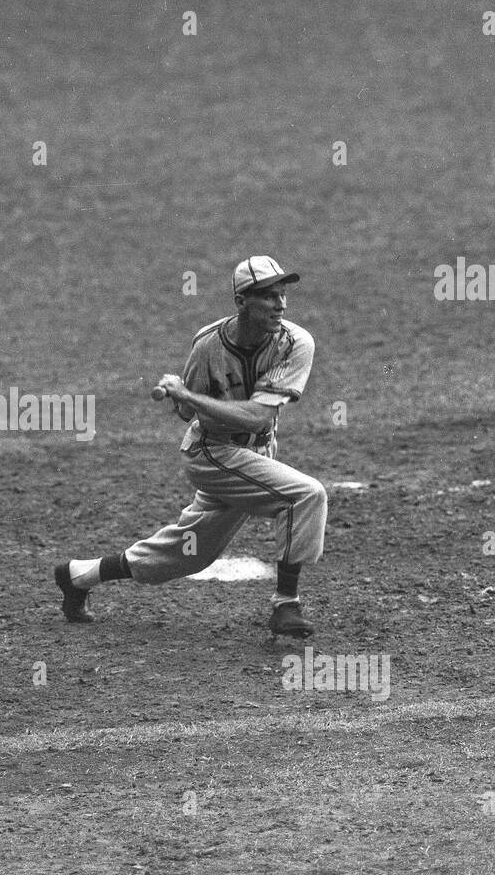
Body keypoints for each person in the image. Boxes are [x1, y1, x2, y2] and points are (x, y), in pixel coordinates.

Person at [54, 255, 327, 638]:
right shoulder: (208, 345)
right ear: (241, 301)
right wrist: (181, 397)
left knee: (190, 551)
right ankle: (286, 604)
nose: (279, 305)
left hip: (256, 452)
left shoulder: (295, 343)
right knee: (305, 495)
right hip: (211, 454)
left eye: (283, 295)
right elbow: (188, 413)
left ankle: (78, 575)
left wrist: (187, 396)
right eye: (268, 296)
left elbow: (258, 418)